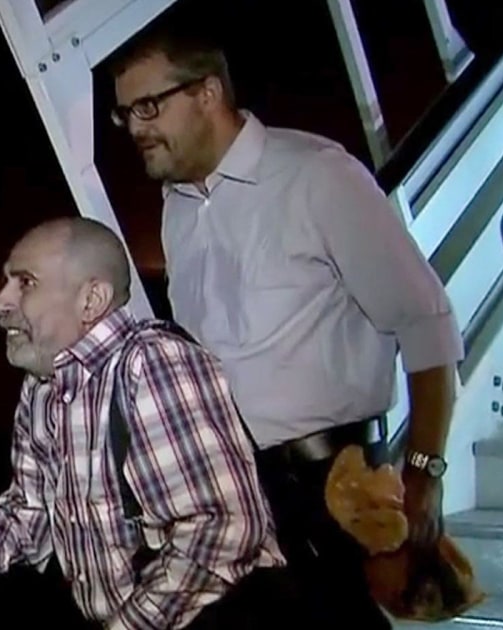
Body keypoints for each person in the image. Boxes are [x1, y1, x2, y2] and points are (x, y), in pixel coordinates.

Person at [109, 24, 462, 629]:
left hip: (335, 488)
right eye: (124, 115)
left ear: (207, 93)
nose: (136, 128)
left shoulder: (317, 175)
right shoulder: (177, 209)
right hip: (237, 497)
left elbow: (426, 323)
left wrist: (423, 477)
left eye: (147, 106)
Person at [0, 218, 289, 629]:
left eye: (25, 283)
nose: (0, 302)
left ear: (91, 300)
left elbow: (221, 531)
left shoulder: (151, 364)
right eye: (6, 281)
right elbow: (32, 515)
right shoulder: (42, 386)